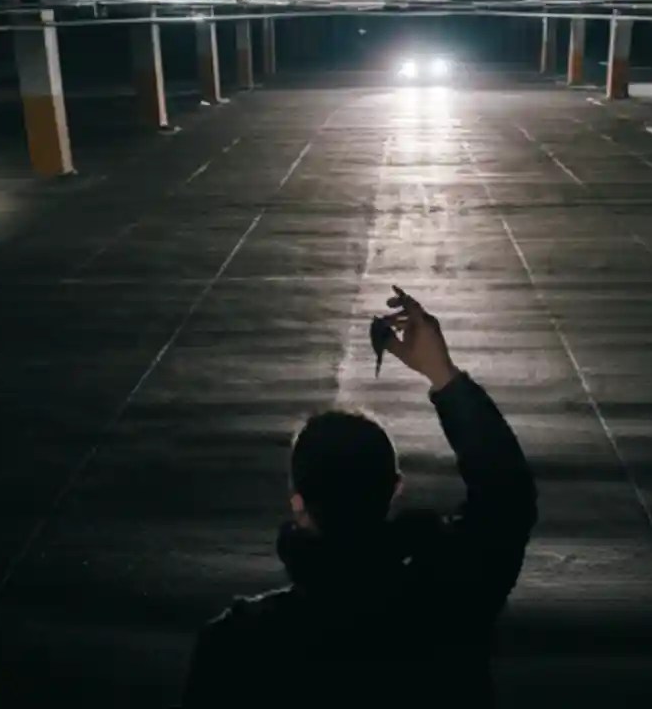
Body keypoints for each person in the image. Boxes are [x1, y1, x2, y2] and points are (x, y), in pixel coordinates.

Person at [180, 286, 537, 708]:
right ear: (394, 488)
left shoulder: (236, 644)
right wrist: (442, 374)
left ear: (298, 503)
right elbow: (506, 496)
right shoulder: (448, 604)